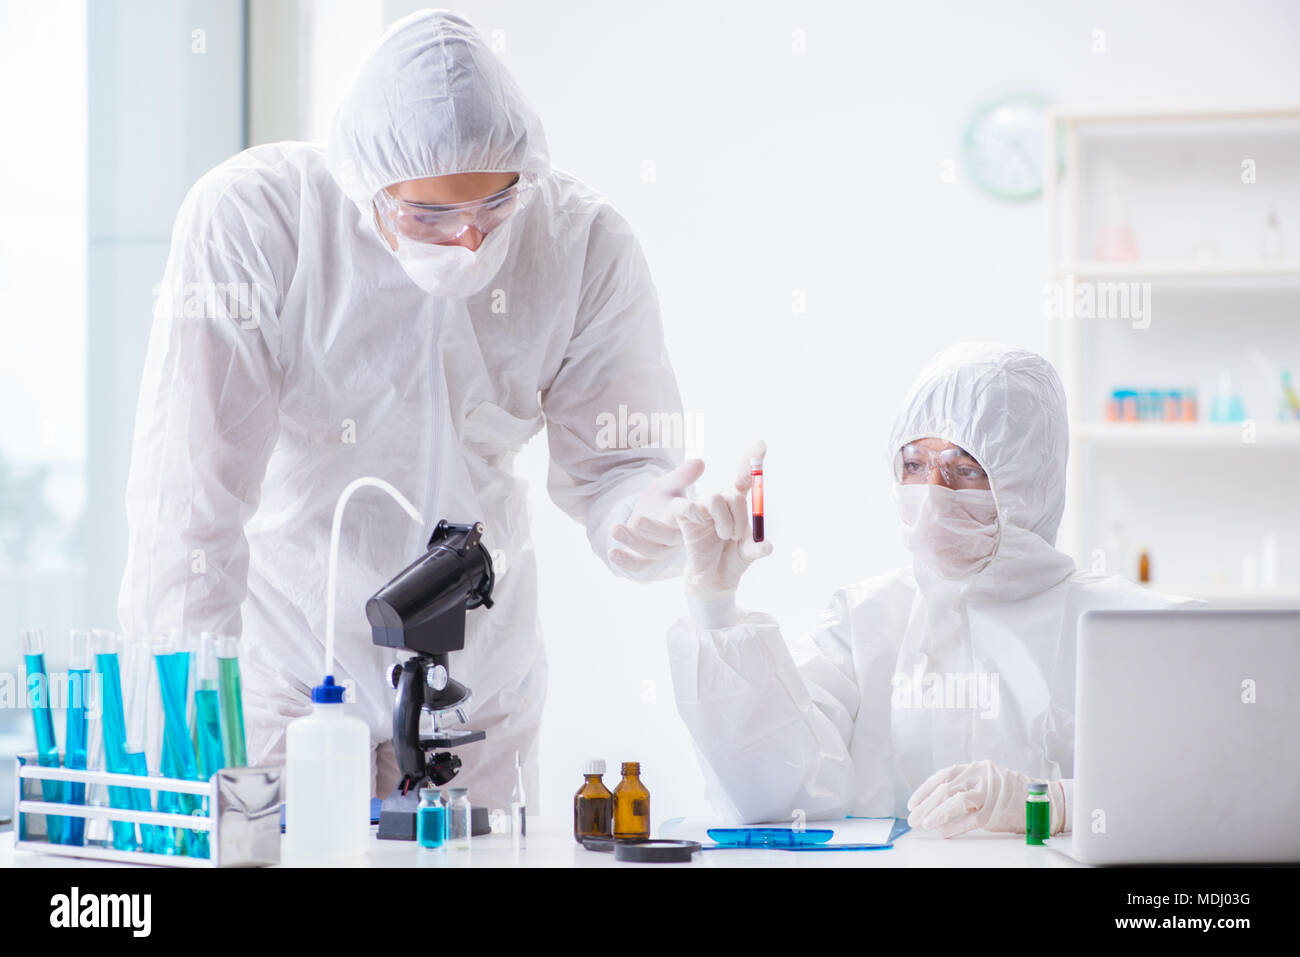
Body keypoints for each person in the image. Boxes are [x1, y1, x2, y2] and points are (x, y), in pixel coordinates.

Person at [118, 11, 698, 808]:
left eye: (492, 207)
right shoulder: (260, 225)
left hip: (475, 701)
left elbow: (622, 469)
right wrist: (172, 744)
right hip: (290, 689)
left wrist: (644, 509)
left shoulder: (579, 243)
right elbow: (190, 509)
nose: (466, 241)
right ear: (365, 185)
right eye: (427, 216)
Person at [667, 342, 1198, 837]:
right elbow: (779, 795)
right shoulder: (866, 620)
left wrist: (1057, 804)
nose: (933, 496)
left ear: (1030, 480)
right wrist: (715, 608)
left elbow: (1222, 787)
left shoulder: (1129, 624)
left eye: (965, 470)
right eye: (915, 466)